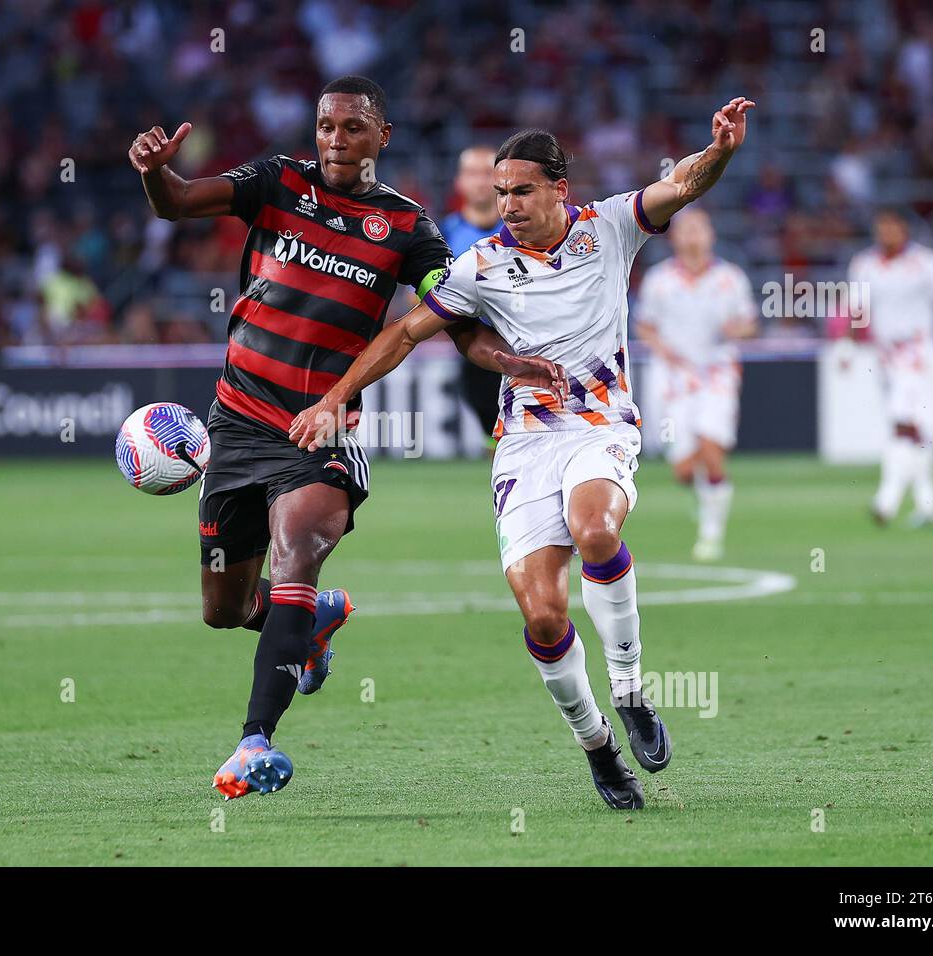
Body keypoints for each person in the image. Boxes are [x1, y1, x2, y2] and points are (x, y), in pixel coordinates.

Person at [291, 98, 757, 810]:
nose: (507, 204)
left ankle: (630, 691)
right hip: (524, 447)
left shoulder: (611, 227)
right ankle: (599, 746)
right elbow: (408, 332)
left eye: (522, 191)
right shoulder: (481, 264)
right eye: (501, 192)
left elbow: (685, 184)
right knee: (542, 616)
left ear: (559, 189)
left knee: (597, 528)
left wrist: (719, 148)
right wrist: (335, 396)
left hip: (600, 427)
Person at [128, 75, 564, 799]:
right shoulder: (275, 182)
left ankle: (253, 742)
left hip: (320, 428)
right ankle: (314, 621)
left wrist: (507, 359)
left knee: (297, 554)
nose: (335, 139)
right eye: (327, 126)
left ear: (381, 137)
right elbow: (177, 202)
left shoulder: (407, 228)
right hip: (235, 421)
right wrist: (154, 173)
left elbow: (451, 320)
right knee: (224, 609)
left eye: (353, 128)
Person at [635, 209, 758, 560]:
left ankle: (711, 534)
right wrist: (662, 349)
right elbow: (645, 326)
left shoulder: (730, 278)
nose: (691, 236)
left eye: (698, 229)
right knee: (684, 468)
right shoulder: (660, 281)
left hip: (717, 374)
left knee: (711, 449)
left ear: (710, 235)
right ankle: (699, 494)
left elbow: (750, 324)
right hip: (674, 378)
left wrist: (737, 330)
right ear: (674, 237)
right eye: (685, 229)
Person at [847, 208, 933, 526]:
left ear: (904, 229)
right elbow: (858, 310)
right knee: (914, 429)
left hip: (917, 353)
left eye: (891, 226)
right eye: (881, 227)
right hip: (885, 356)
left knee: (902, 424)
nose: (885, 233)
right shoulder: (864, 265)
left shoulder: (926, 263)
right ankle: (929, 505)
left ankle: (885, 501)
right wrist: (848, 345)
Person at [440, 145, 503, 446]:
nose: (480, 181)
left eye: (487, 173)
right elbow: (422, 296)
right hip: (476, 347)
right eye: (471, 173)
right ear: (459, 182)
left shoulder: (522, 227)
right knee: (496, 428)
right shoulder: (442, 234)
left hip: (529, 342)